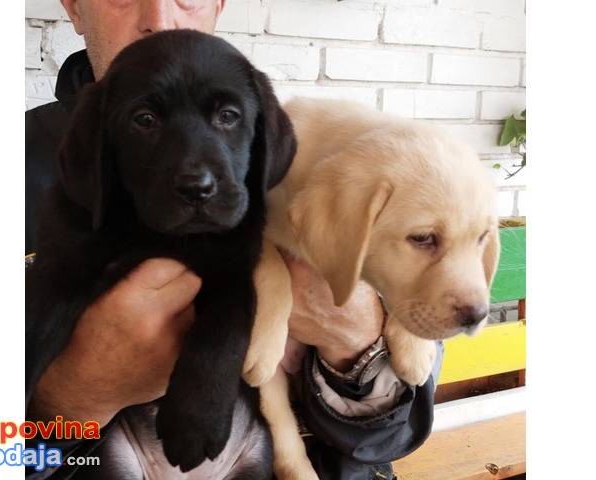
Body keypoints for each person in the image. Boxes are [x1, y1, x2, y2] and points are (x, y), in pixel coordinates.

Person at [25, 1, 443, 478]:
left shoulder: (292, 147)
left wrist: (354, 337)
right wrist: (66, 405)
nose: (159, 18)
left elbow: (390, 436)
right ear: (74, 8)